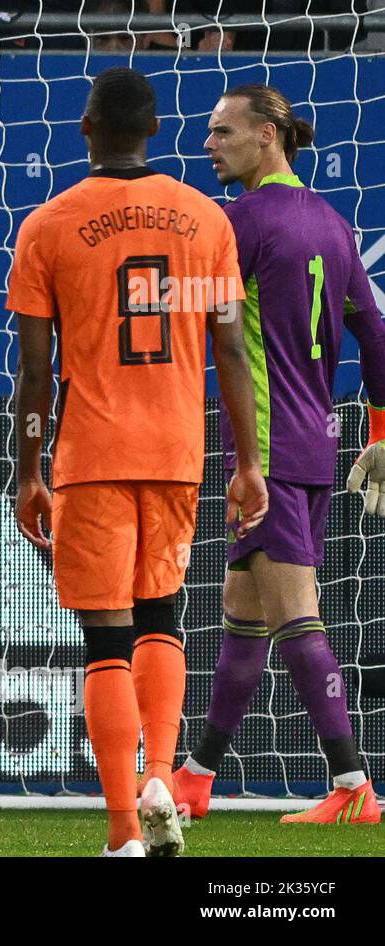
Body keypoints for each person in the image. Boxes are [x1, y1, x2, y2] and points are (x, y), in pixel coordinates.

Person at [10, 66, 268, 857]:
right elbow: (229, 345)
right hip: (176, 452)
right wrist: (247, 461)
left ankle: (124, 829)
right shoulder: (204, 219)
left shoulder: (49, 225)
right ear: (157, 131)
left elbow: (34, 370)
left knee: (104, 641)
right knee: (162, 617)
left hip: (92, 455)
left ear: (86, 128)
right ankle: (162, 772)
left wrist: (27, 468)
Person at [173, 84, 385, 826]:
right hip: (314, 446)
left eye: (221, 131)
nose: (208, 144)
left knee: (296, 617)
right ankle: (197, 774)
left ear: (268, 136)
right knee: (243, 613)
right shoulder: (333, 224)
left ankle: (354, 784)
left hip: (263, 451)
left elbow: (194, 321)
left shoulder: (239, 224)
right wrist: (382, 436)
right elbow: (379, 341)